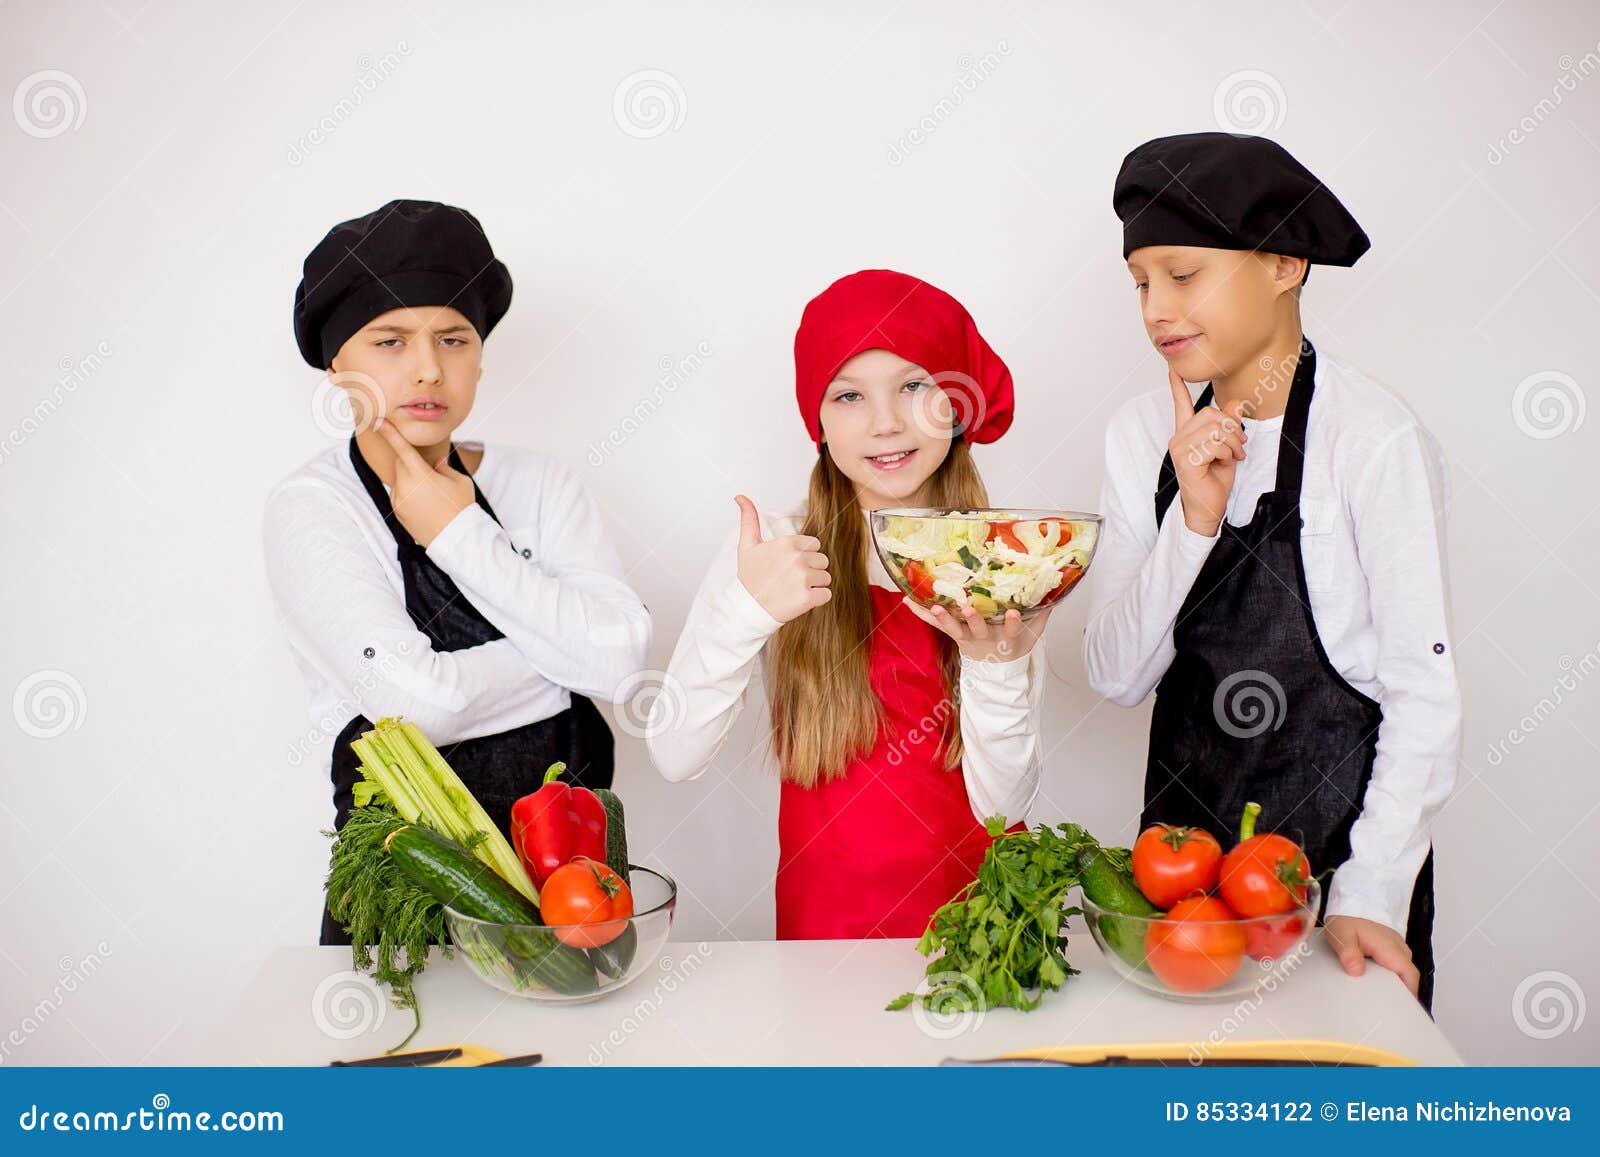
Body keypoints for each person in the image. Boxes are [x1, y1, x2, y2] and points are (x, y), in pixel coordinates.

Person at [1084, 134, 1460, 1011]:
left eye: (1182, 274)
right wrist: (1194, 519)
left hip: (1337, 888)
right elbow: (1112, 674)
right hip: (1177, 900)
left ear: (1286, 263)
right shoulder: (1142, 436)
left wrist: (1370, 893)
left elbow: (1422, 690)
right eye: (1141, 282)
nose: (1154, 310)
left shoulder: (1372, 439)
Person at [264, 198, 650, 944]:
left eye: (453, 337)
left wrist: (456, 532)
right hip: (402, 900)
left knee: (583, 1058)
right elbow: (418, 708)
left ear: (480, 355)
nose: (427, 368)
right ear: (337, 366)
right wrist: (564, 654)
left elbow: (623, 664)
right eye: (389, 340)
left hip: (577, 889)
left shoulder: (543, 483)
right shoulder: (313, 509)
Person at [647, 268, 1053, 939]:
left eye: (914, 386)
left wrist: (996, 666)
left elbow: (1002, 807)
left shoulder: (1004, 556)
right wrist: (747, 612)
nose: (886, 422)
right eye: (849, 395)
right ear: (819, 421)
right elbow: (673, 752)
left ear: (954, 401)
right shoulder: (776, 547)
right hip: (825, 940)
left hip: (987, 939)